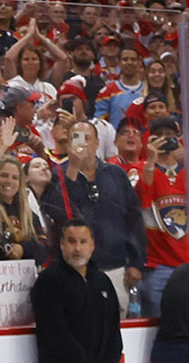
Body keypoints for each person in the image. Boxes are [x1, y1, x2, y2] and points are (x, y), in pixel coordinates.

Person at [54, 119, 145, 316]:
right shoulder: (59, 175)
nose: (82, 143)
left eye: (87, 138)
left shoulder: (116, 174)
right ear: (68, 144)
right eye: (76, 138)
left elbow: (134, 218)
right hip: (74, 270)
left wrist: (136, 262)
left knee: (115, 325)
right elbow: (59, 211)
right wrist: (72, 170)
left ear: (97, 143)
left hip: (115, 267)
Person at [136, 117, 189, 317]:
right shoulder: (140, 169)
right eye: (159, 136)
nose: (165, 140)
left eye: (170, 136)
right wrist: (150, 161)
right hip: (157, 266)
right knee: (156, 323)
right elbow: (141, 199)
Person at [29, 219, 121, 363]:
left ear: (92, 245)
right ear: (62, 244)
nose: (77, 248)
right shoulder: (48, 281)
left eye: (83, 242)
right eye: (72, 241)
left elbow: (113, 330)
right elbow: (56, 334)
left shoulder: (103, 281)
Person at [0, 156, 50, 264]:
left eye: (15, 177)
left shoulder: (28, 215)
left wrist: (23, 249)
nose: (9, 181)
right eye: (4, 175)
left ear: (20, 183)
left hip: (23, 278)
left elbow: (44, 248)